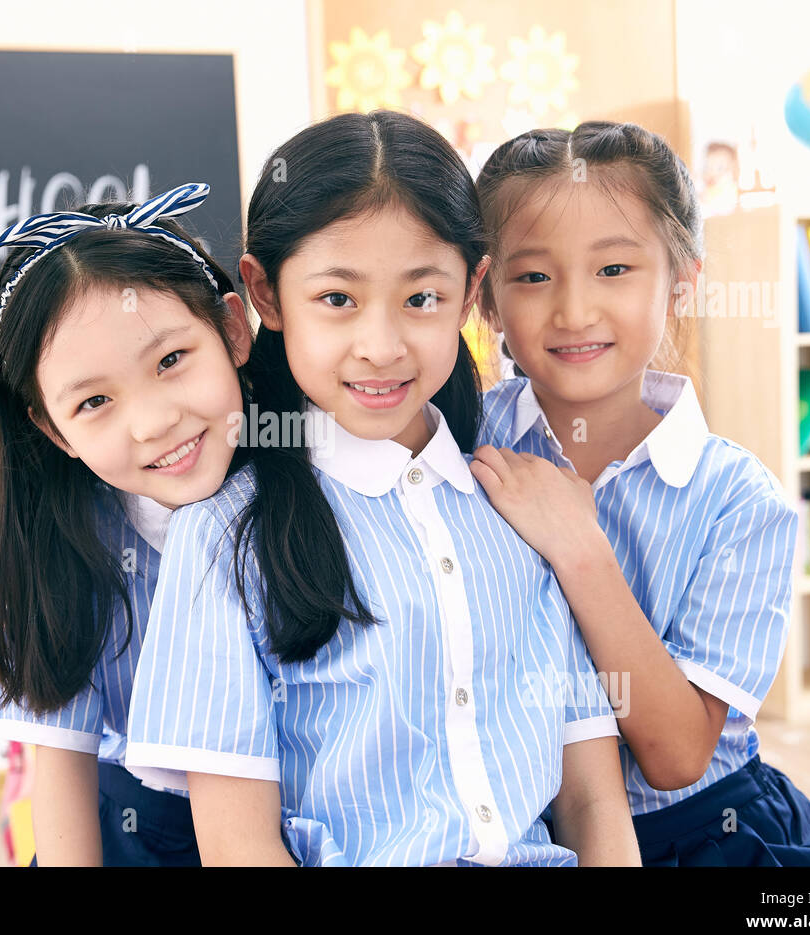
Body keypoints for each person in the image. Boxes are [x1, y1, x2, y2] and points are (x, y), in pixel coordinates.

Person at [126, 113, 639, 867]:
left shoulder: (524, 507)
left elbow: (592, 800)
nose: (381, 345)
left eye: (421, 299)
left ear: (470, 291)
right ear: (266, 295)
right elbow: (239, 848)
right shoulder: (224, 538)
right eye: (337, 299)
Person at [471, 123, 810, 865]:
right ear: (485, 298)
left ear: (682, 282)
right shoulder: (459, 446)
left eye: (614, 270)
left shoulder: (740, 501)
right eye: (533, 276)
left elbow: (676, 755)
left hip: (701, 834)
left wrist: (582, 549)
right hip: (517, 831)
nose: (574, 311)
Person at [0, 184, 253, 865]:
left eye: (170, 361)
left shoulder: (315, 492)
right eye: (95, 400)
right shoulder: (63, 555)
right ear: (53, 429)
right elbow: (62, 783)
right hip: (140, 837)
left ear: (234, 330)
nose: (153, 421)